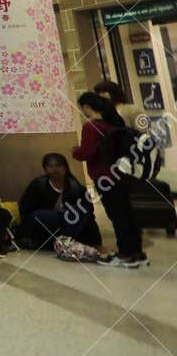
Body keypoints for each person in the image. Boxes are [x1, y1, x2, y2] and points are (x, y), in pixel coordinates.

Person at [71, 91, 146, 269]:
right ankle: (137, 253)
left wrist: (74, 151)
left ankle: (125, 254)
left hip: (105, 177)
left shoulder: (91, 127)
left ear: (87, 107)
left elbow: (86, 152)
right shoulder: (114, 125)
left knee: (117, 216)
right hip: (122, 176)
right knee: (127, 214)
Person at [16, 152, 100, 250]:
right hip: (46, 223)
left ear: (65, 168)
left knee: (78, 212)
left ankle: (66, 241)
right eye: (50, 166)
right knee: (43, 215)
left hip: (69, 224)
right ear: (45, 169)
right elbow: (25, 209)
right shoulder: (38, 185)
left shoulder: (76, 188)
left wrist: (96, 242)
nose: (54, 169)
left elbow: (88, 212)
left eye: (58, 166)